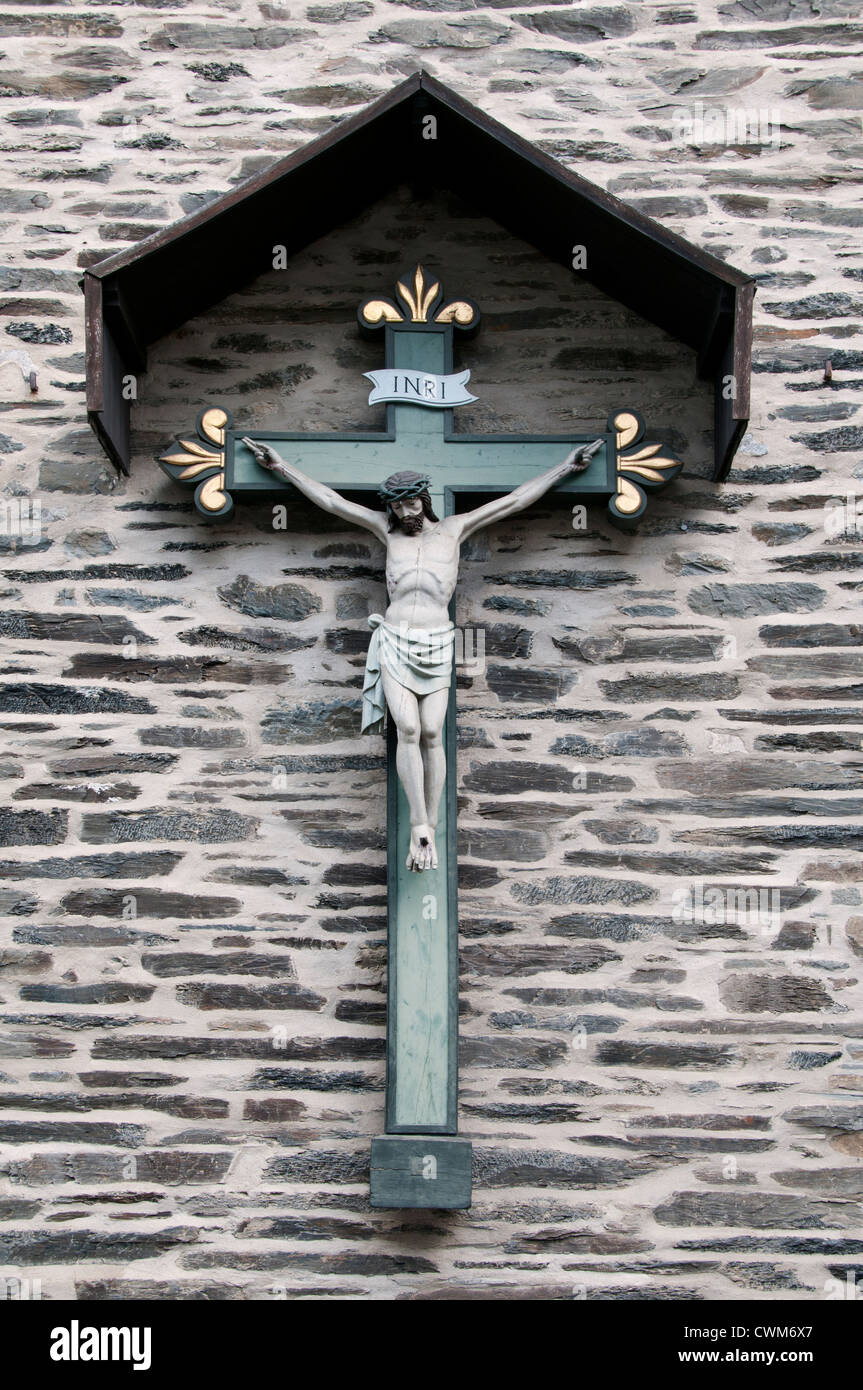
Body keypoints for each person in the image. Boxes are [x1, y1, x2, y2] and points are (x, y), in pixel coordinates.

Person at [241, 435, 602, 870]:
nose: (405, 513)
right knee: (408, 730)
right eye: (397, 507)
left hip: (436, 642)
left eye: (411, 504)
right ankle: (420, 825)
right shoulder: (385, 529)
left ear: (424, 499)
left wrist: (566, 468)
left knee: (433, 732)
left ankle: (432, 822)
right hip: (395, 639)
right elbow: (333, 502)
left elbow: (513, 501)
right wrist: (281, 467)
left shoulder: (454, 529)